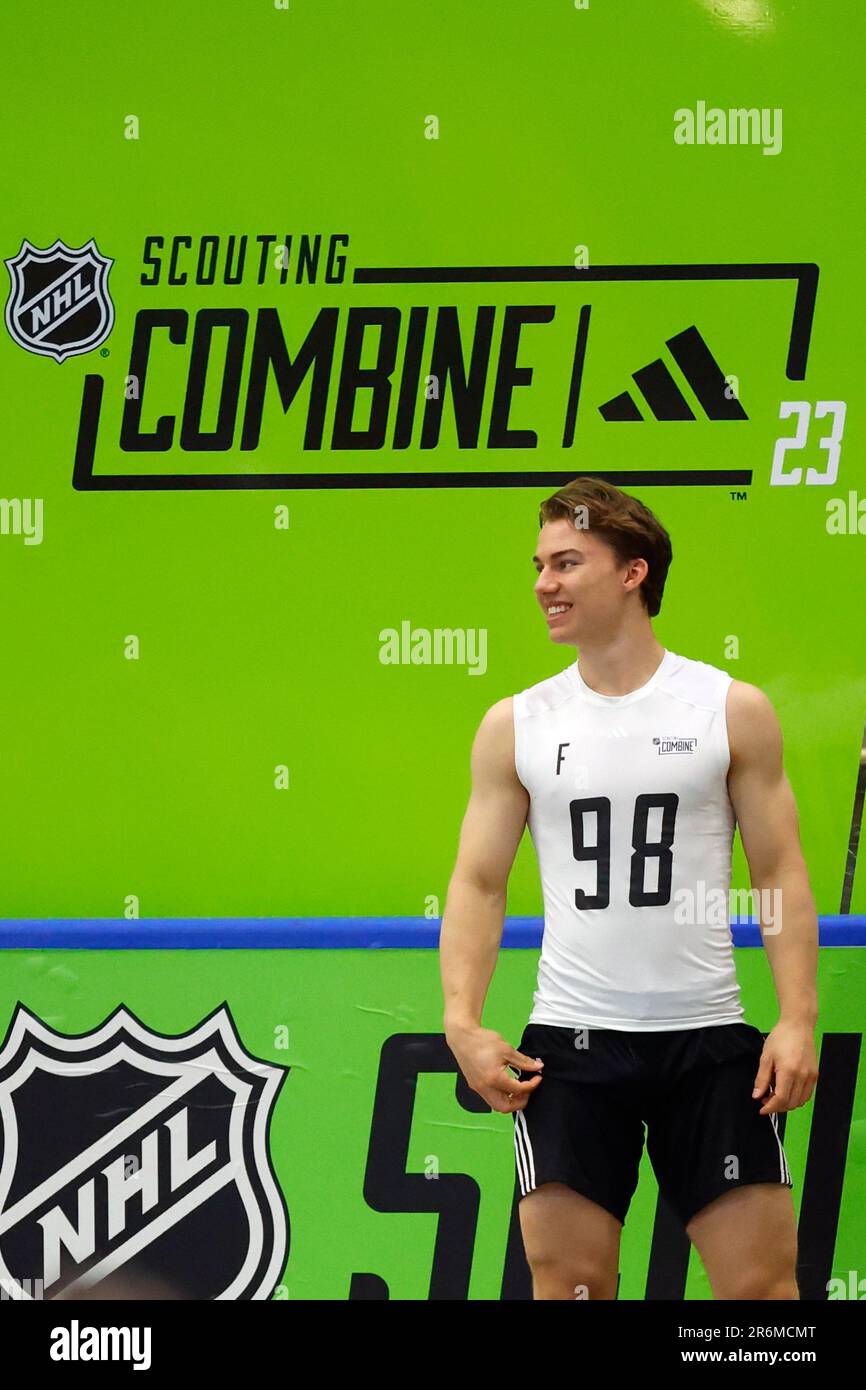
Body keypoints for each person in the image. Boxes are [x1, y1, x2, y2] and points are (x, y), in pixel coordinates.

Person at [439, 477, 819, 1300]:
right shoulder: (518, 722)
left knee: (760, 1293)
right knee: (572, 1286)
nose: (543, 584)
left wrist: (797, 1017)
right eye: (538, 565)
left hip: (709, 1042)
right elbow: (477, 884)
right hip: (570, 1052)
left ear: (632, 572)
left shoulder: (730, 708)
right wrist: (461, 1020)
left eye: (566, 563)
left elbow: (779, 871)